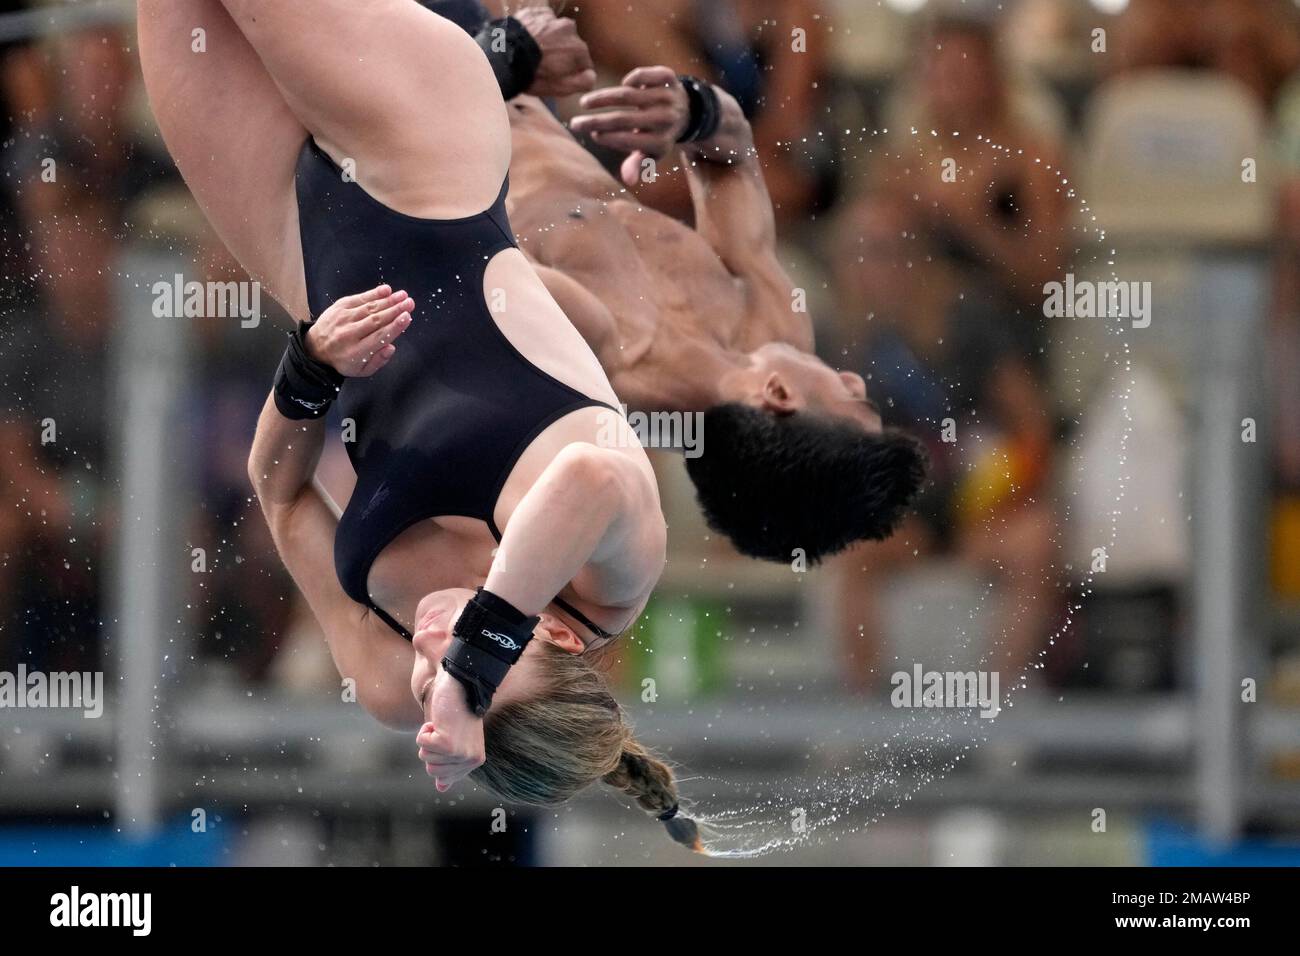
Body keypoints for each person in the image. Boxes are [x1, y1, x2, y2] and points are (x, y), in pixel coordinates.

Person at [136, 0, 705, 850]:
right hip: (430, 163)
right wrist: (467, 672)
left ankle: (498, 55)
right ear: (546, 631)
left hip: (303, 258)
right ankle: (495, 58)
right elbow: (595, 477)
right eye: (469, 664)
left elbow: (282, 496)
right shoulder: (607, 577)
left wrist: (310, 372)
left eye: (432, 673)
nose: (433, 651)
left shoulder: (383, 683)